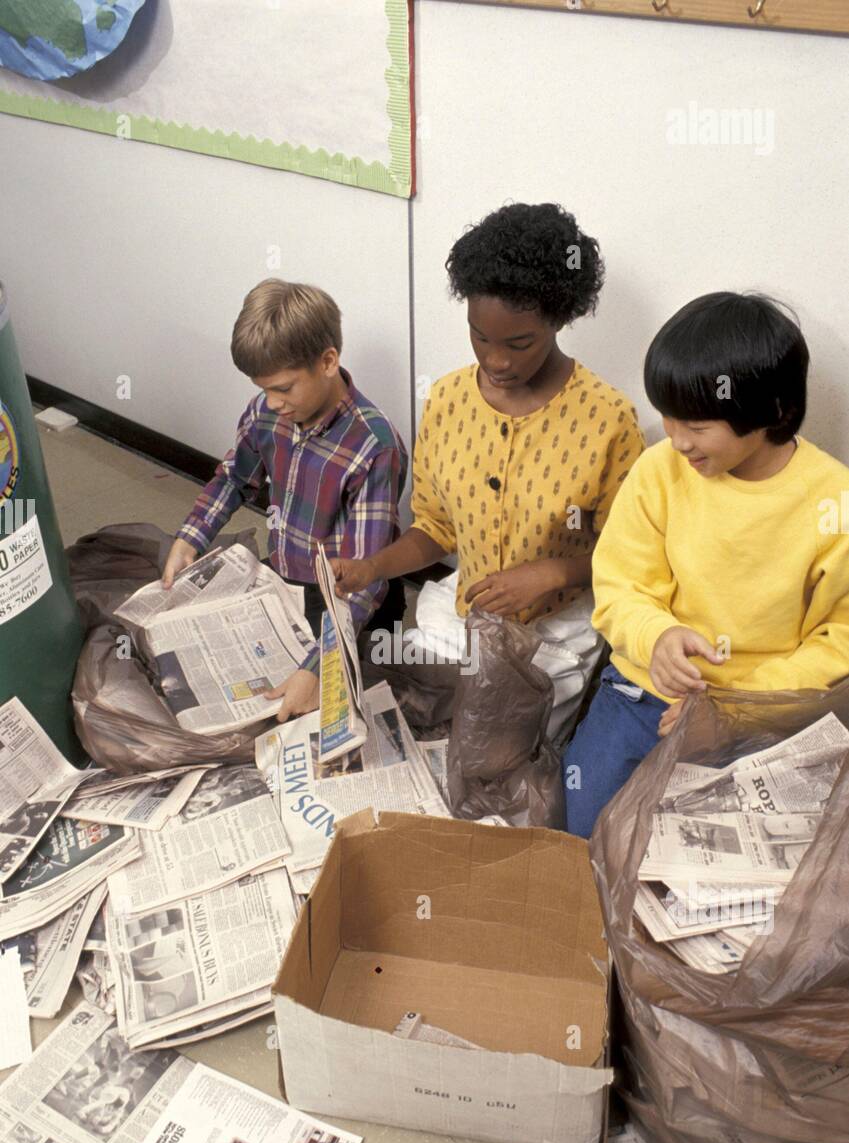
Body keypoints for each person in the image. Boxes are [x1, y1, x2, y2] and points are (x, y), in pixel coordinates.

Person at [331, 203, 644, 739]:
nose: (496, 361)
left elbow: (630, 554)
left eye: (519, 343)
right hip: (462, 617)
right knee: (402, 723)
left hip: (554, 633)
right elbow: (436, 529)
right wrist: (374, 567)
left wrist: (549, 574)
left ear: (559, 319)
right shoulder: (448, 399)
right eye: (480, 337)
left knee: (503, 752)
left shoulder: (607, 419)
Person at [563, 292, 849, 838]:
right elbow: (620, 583)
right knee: (587, 821)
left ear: (772, 413)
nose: (676, 440)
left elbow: (839, 639)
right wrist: (658, 635)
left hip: (759, 712)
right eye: (668, 418)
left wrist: (737, 710)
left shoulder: (833, 500)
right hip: (642, 694)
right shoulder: (660, 471)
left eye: (696, 424)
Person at [161, 279, 407, 721]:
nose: (271, 402)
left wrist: (318, 666)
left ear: (328, 361)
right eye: (264, 388)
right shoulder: (265, 412)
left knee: (324, 707)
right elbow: (234, 479)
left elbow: (366, 580)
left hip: (348, 596)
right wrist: (190, 539)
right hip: (287, 582)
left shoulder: (374, 447)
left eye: (284, 388)